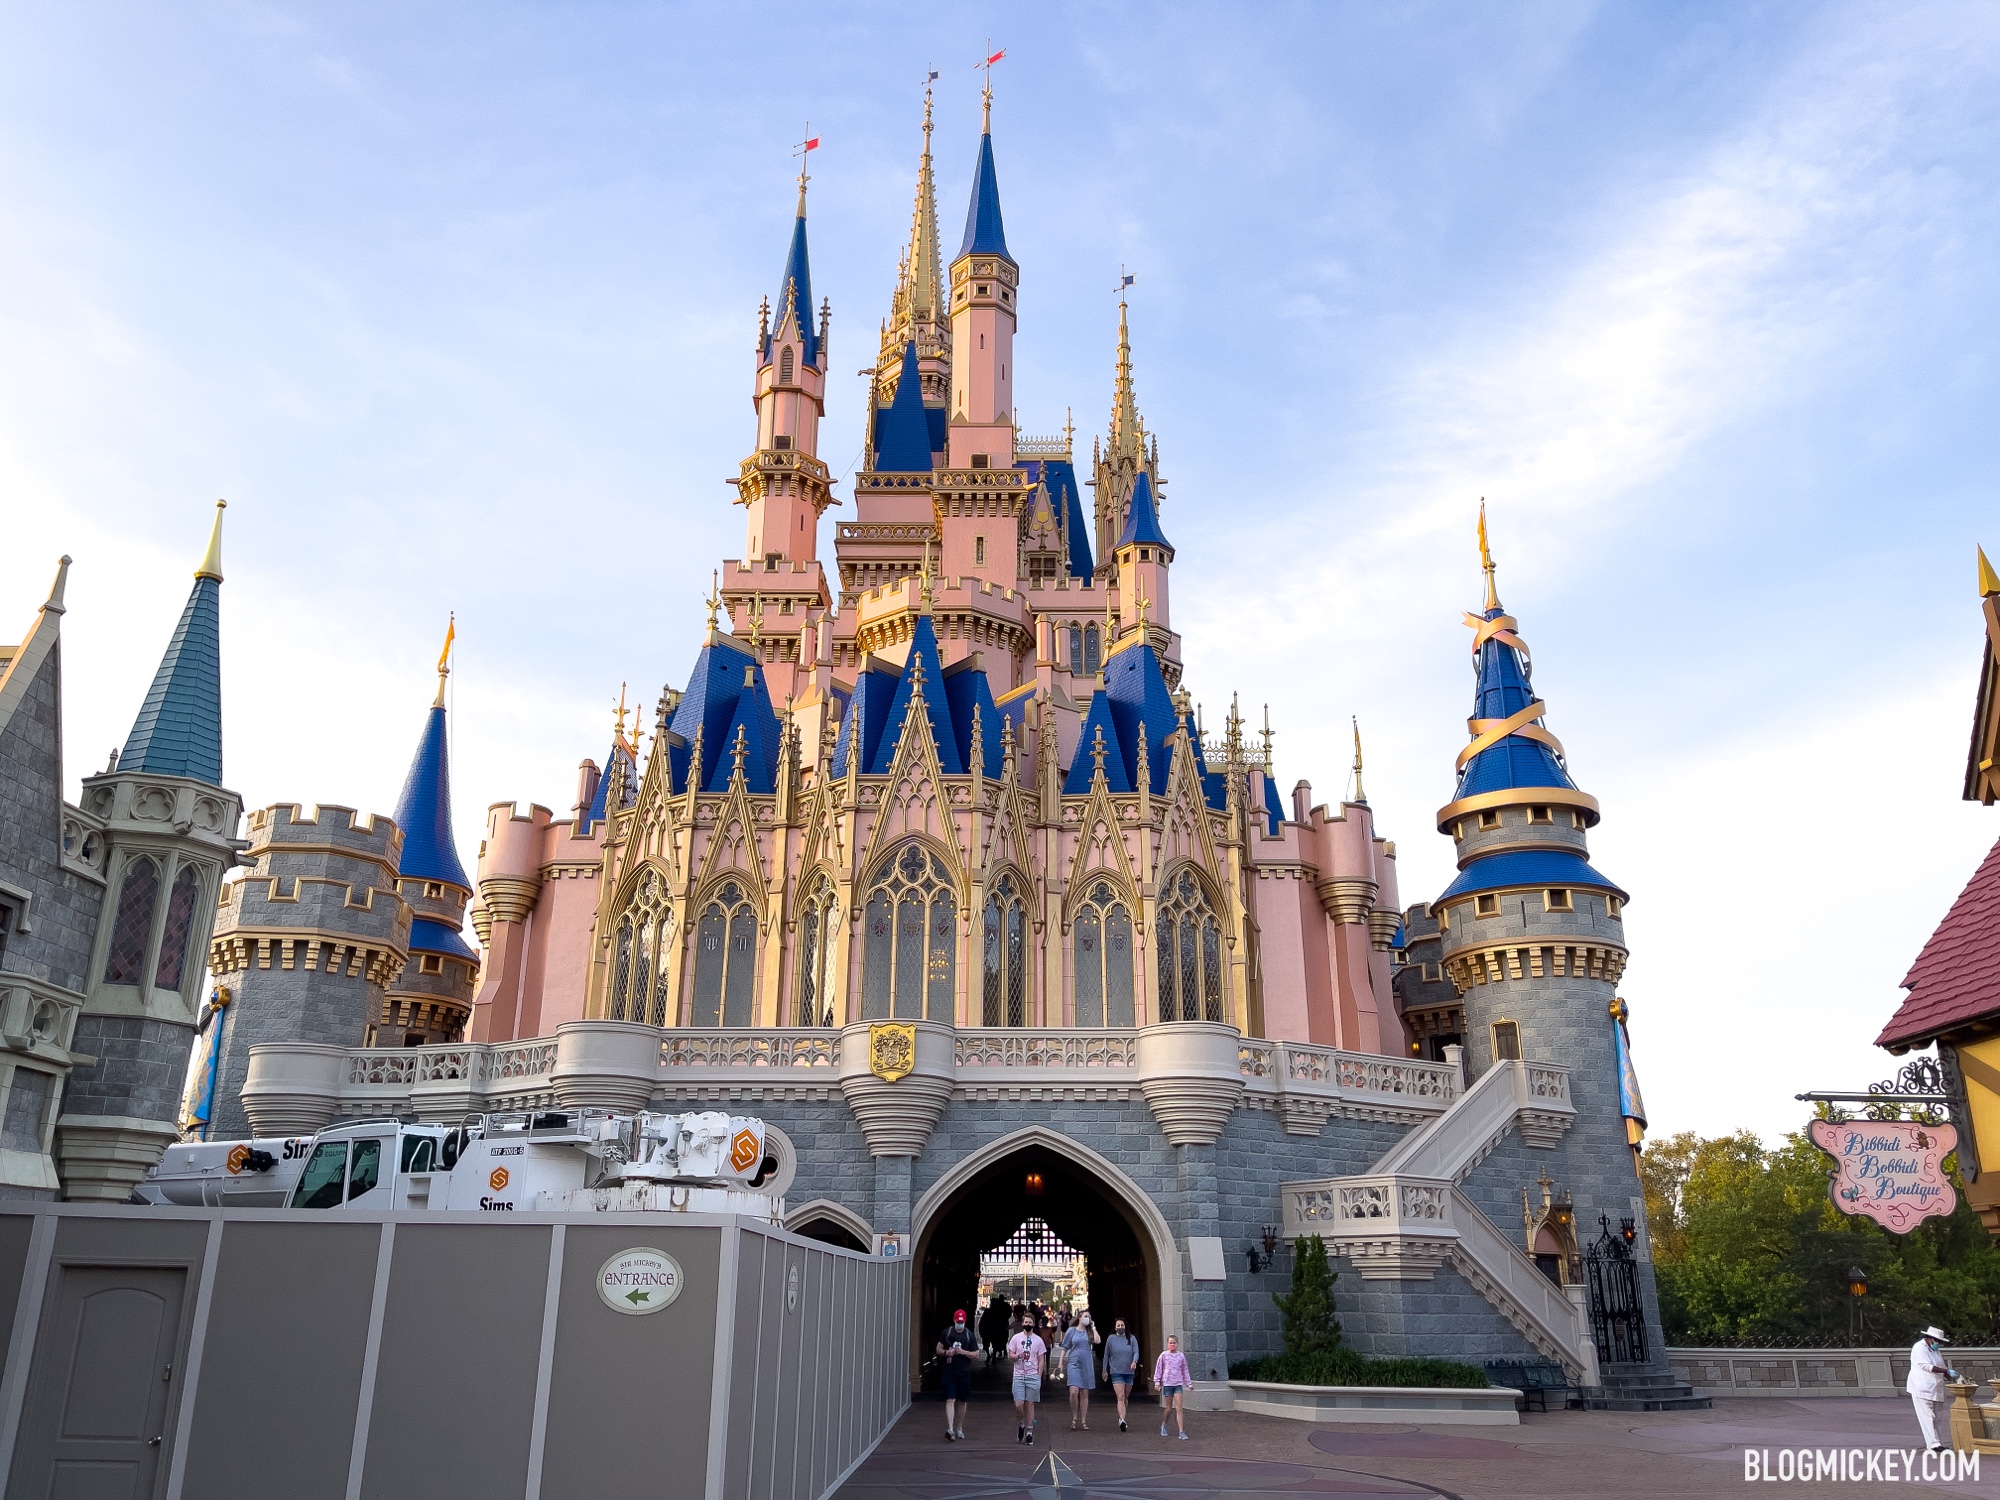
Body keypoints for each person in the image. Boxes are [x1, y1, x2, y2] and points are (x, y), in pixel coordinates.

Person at [1908, 1325, 1960, 1452]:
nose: (1939, 1344)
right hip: (1921, 1387)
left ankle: (1937, 1442)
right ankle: (1933, 1444)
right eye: (1938, 1341)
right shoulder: (1919, 1348)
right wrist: (1947, 1370)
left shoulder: (1935, 1350)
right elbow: (1926, 1366)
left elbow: (1941, 1367)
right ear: (1930, 1338)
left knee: (1938, 1417)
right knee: (1927, 1416)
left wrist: (1953, 1377)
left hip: (1935, 1388)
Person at [936, 1308, 980, 1442]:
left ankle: (959, 1427)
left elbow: (976, 1354)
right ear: (954, 1320)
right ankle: (950, 1428)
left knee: (962, 1401)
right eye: (957, 1321)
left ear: (964, 1321)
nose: (959, 1324)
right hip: (949, 1371)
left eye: (961, 1322)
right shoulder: (947, 1333)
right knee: (950, 1399)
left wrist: (963, 1352)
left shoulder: (969, 1335)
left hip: (964, 1372)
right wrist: (946, 1353)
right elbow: (938, 1349)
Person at [1007, 1317, 1048, 1445]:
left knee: (1030, 1404)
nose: (1027, 1324)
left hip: (1032, 1376)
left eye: (1030, 1323)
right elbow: (1010, 1355)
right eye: (1026, 1322)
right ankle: (1021, 1424)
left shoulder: (1038, 1340)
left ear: (1034, 1324)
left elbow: (1041, 1359)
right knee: (1019, 1405)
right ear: (1022, 1324)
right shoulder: (1016, 1338)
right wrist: (1018, 1356)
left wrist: (1039, 1375)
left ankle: (1029, 1432)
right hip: (1019, 1375)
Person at [1102, 1318, 1141, 1431]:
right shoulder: (1111, 1339)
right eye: (1118, 1325)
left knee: (1125, 1396)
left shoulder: (1131, 1338)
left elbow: (1136, 1352)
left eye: (1122, 1325)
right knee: (1121, 1396)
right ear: (1115, 1328)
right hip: (1116, 1371)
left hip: (1129, 1372)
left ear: (1125, 1326)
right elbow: (1106, 1355)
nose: (1120, 1327)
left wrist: (1134, 1361)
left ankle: (1122, 1417)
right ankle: (1122, 1419)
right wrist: (1105, 1370)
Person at [1154, 1335, 1191, 1440]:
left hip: (1178, 1383)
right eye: (1170, 1342)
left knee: (1179, 1408)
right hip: (1168, 1384)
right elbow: (1159, 1369)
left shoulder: (1181, 1356)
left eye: (1174, 1342)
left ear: (1177, 1344)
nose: (1172, 1344)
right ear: (1167, 1344)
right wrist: (1157, 1382)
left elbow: (1185, 1370)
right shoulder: (1164, 1355)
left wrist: (1188, 1383)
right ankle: (1164, 1424)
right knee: (1169, 1409)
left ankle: (1181, 1431)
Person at [1062, 1315, 1096, 1429]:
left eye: (1089, 1317)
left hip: (1086, 1364)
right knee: (1073, 1392)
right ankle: (1074, 1417)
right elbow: (1065, 1346)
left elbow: (1097, 1340)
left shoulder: (1089, 1332)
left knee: (1084, 1393)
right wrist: (1060, 1362)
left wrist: (1094, 1328)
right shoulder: (1072, 1331)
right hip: (1074, 1364)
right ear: (1080, 1318)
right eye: (1085, 1316)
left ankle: (1083, 1421)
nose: (1087, 1318)